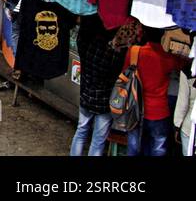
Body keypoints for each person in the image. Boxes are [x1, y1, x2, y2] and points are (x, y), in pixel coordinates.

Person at [71, 14, 124, 156]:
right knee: (98, 140)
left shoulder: (89, 47)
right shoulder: (113, 54)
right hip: (104, 104)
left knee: (81, 131)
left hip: (86, 97)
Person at [129, 36, 187, 156]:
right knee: (158, 150)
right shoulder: (167, 57)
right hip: (158, 112)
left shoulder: (134, 51)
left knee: (134, 148)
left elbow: (125, 73)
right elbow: (184, 65)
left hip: (135, 108)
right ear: (163, 36)